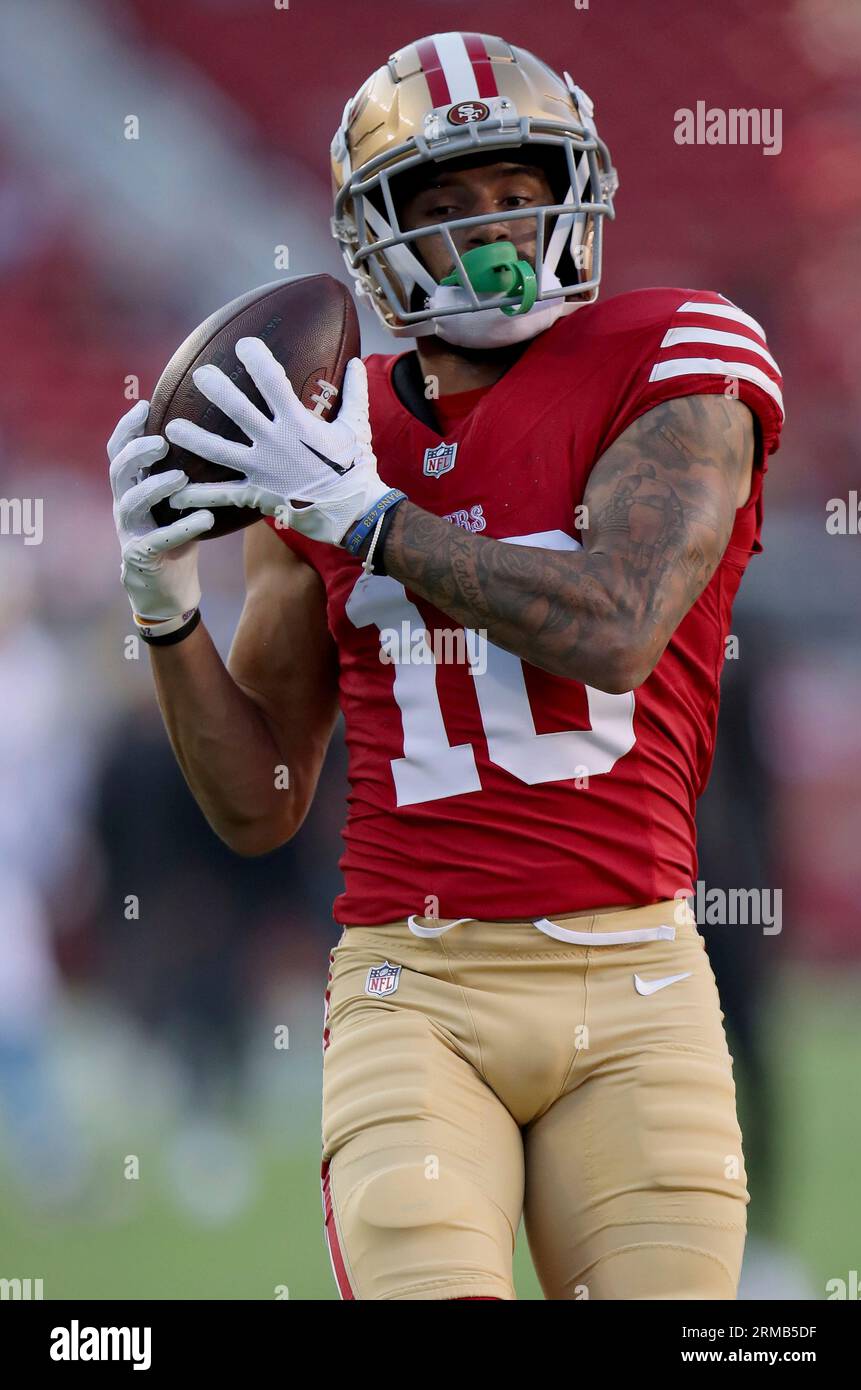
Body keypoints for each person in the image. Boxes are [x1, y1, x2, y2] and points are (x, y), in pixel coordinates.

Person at [107, 32, 784, 1300]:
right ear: (376, 234)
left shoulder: (677, 357)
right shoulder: (323, 427)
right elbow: (259, 802)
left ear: (572, 195)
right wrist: (161, 607)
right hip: (412, 987)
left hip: (634, 978)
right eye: (447, 204)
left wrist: (370, 522)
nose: (494, 232)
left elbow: (613, 622)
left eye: (519, 196)